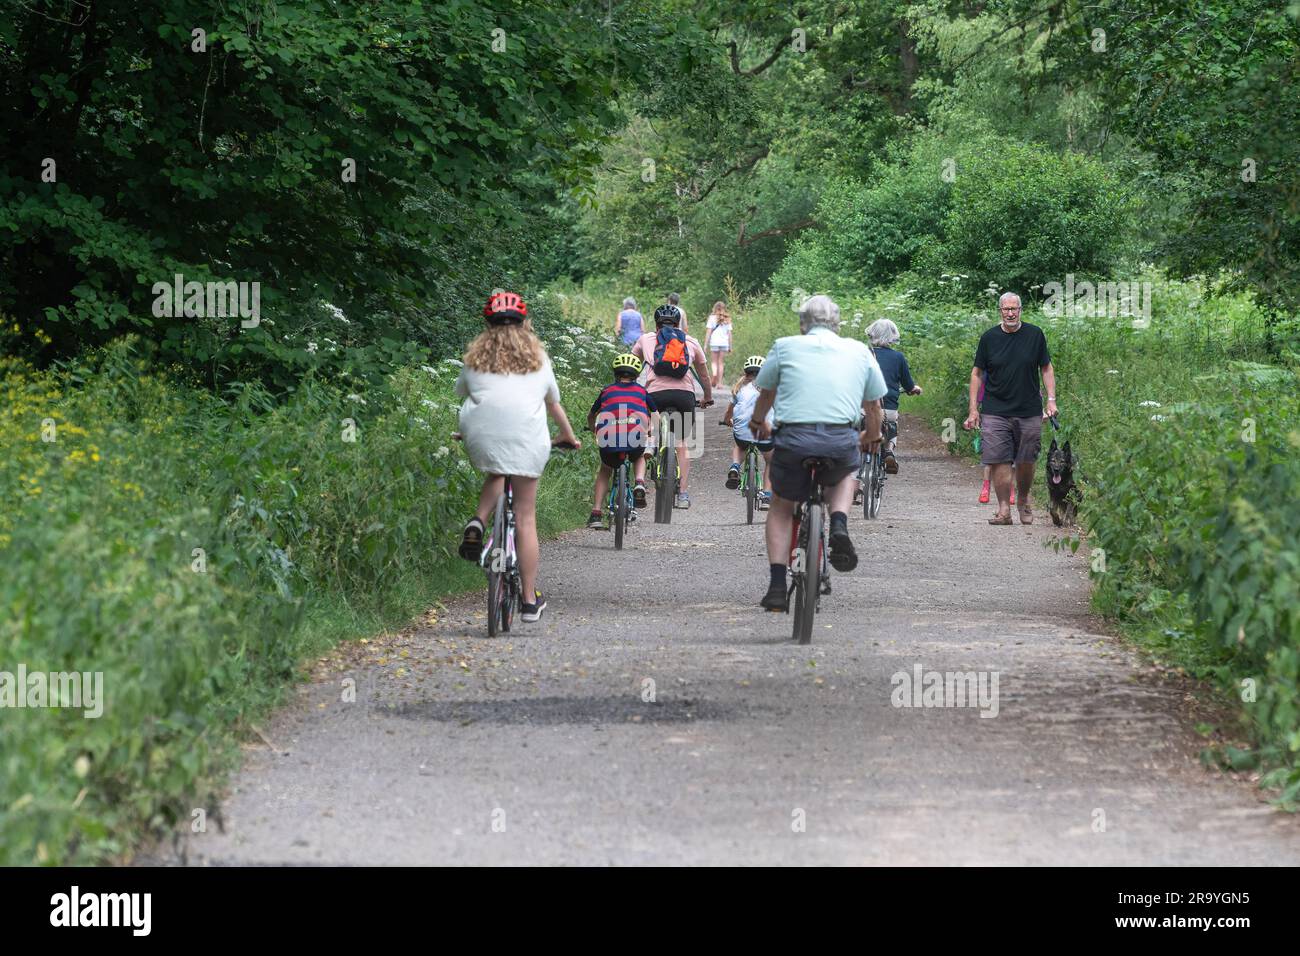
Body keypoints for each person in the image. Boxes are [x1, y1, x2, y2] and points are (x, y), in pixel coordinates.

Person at [750, 295, 887, 610]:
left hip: (794, 437)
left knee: (782, 506)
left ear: (802, 324)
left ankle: (775, 585)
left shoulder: (784, 346)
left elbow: (766, 393)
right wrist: (872, 436)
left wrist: (758, 422)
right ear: (838, 325)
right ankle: (839, 523)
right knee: (846, 471)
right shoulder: (859, 351)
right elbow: (873, 406)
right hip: (840, 437)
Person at [455, 291, 581, 623]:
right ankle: (528, 600)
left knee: (496, 470)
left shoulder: (474, 361)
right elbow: (553, 404)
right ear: (525, 324)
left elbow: (472, 399)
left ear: (487, 324)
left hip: (482, 435)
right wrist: (568, 437)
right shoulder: (539, 359)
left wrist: (467, 432)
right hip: (527, 440)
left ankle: (478, 522)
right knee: (525, 517)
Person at [963, 292, 1057, 525]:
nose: (1011, 313)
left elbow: (1046, 368)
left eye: (1015, 309)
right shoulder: (989, 338)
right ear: (1000, 311)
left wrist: (1051, 400)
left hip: (1028, 409)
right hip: (995, 409)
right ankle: (1004, 509)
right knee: (998, 459)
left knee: (1026, 459)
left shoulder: (1035, 334)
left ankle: (1023, 500)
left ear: (1021, 310)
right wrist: (973, 409)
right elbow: (976, 374)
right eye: (1006, 309)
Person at [631, 304, 714, 508]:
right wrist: (707, 397)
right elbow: (703, 375)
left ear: (656, 323)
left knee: (650, 426)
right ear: (679, 323)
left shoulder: (645, 339)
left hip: (655, 396)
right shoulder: (691, 341)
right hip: (683, 396)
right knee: (682, 443)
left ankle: (650, 441)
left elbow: (631, 366)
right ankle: (683, 495)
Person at [586, 353, 656, 528]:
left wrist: (593, 428)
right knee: (639, 455)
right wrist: (650, 430)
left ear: (616, 373)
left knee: (605, 469)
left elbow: (592, 414)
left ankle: (596, 514)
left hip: (609, 437)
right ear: (636, 374)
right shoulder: (642, 391)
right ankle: (639, 482)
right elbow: (654, 414)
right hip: (635, 436)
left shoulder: (607, 391)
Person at [865, 318, 922, 474]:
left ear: (872, 334)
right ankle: (889, 450)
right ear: (892, 336)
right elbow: (909, 386)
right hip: (887, 409)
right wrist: (914, 389)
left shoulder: (863, 354)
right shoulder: (898, 357)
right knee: (892, 423)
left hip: (862, 408)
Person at [723, 355, 774, 504]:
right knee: (771, 460)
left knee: (740, 446)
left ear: (746, 373)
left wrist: (727, 421)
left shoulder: (738, 387)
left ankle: (735, 466)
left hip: (742, 431)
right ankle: (767, 496)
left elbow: (729, 412)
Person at [975, 371, 1013, 506]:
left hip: (1014, 412)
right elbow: (980, 387)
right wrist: (975, 409)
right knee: (991, 456)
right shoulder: (989, 370)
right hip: (991, 414)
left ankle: (1011, 489)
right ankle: (986, 487)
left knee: (1011, 456)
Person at [704, 300, 732, 388]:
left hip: (714, 342)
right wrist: (730, 346)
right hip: (724, 343)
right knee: (721, 362)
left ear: (715, 308)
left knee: (714, 362)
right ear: (724, 308)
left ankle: (714, 375)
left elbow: (708, 332)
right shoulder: (727, 318)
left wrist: (705, 345)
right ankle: (720, 383)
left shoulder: (712, 318)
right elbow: (729, 334)